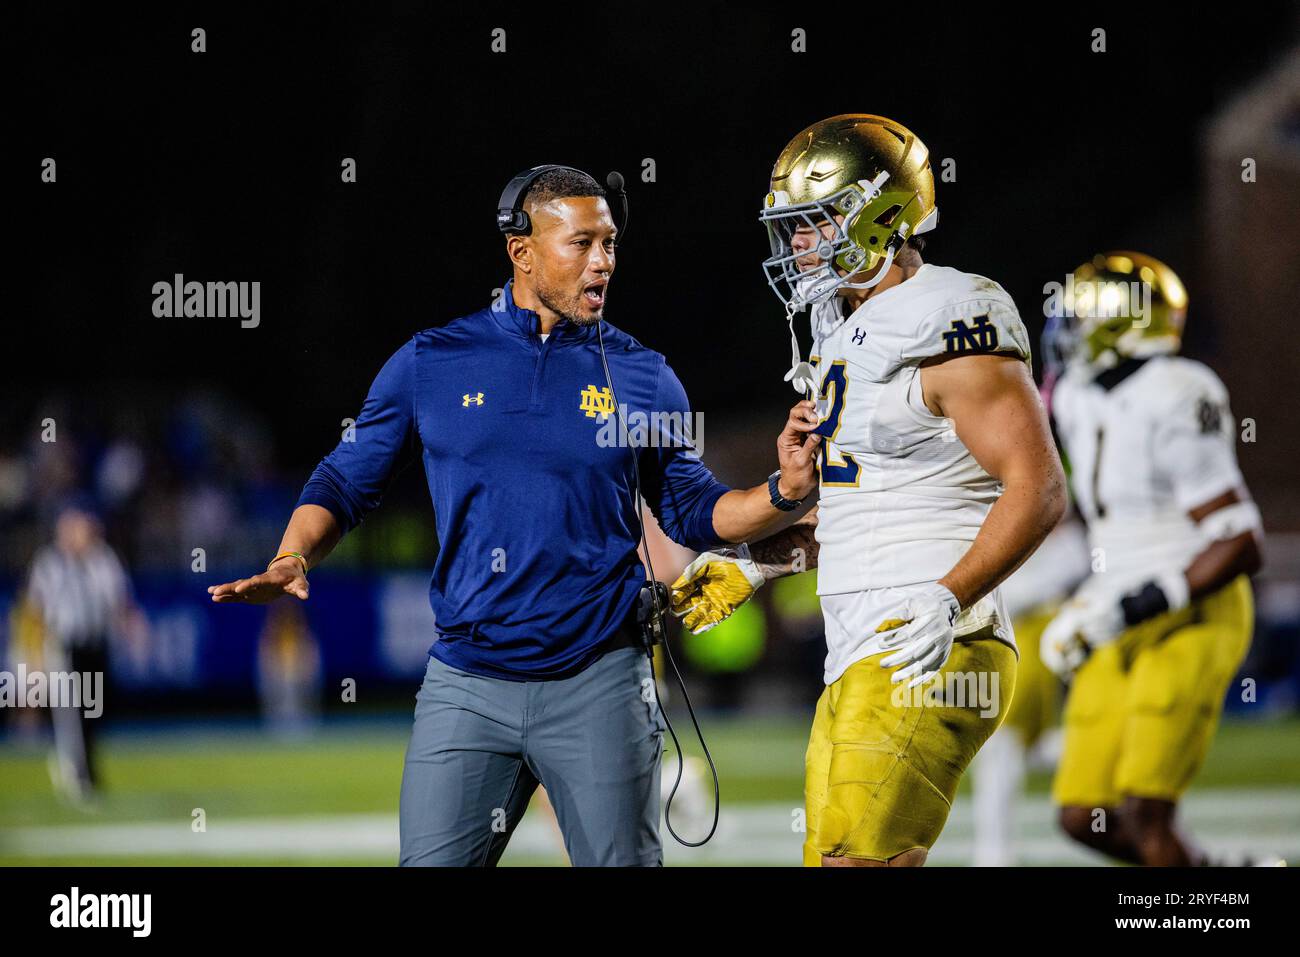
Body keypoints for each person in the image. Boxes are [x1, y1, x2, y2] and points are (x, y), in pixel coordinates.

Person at [208, 166, 822, 866]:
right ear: (521, 250)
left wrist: (781, 491)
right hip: (466, 685)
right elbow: (344, 480)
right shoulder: (431, 362)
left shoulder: (643, 374)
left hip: (600, 678)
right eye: (582, 243)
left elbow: (691, 509)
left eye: (611, 243)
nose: (604, 261)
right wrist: (292, 556)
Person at [670, 114, 1067, 866]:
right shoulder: (844, 328)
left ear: (879, 216)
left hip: (933, 643)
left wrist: (949, 596)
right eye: (791, 229)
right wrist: (758, 564)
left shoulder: (945, 311)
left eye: (813, 225)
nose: (796, 247)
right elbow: (869, 507)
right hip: (861, 644)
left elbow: (1040, 487)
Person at [1039, 252, 1267, 866]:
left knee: (1145, 812)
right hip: (1120, 603)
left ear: (1125, 322)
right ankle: (1219, 882)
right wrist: (1093, 594)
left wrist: (1140, 600)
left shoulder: (1178, 390)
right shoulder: (1076, 396)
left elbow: (1240, 542)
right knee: (1081, 816)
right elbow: (1109, 521)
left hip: (1192, 610)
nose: (1068, 331)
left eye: (1082, 318)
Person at [26, 500, 135, 803]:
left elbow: (118, 600)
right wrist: (35, 656)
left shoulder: (103, 559)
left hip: (95, 645)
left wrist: (133, 630)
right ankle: (78, 775)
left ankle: (80, 767)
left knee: (94, 711)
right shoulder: (49, 563)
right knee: (71, 714)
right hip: (64, 646)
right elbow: (36, 612)